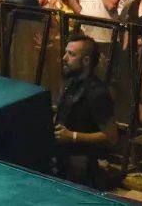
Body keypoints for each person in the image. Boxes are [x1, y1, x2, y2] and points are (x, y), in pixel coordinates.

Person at [54, 34, 116, 188]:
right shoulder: (71, 81)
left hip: (82, 165)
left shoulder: (98, 93)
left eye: (71, 54)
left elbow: (111, 137)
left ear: (86, 61)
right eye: (66, 52)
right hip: (62, 157)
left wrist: (73, 136)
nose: (64, 58)